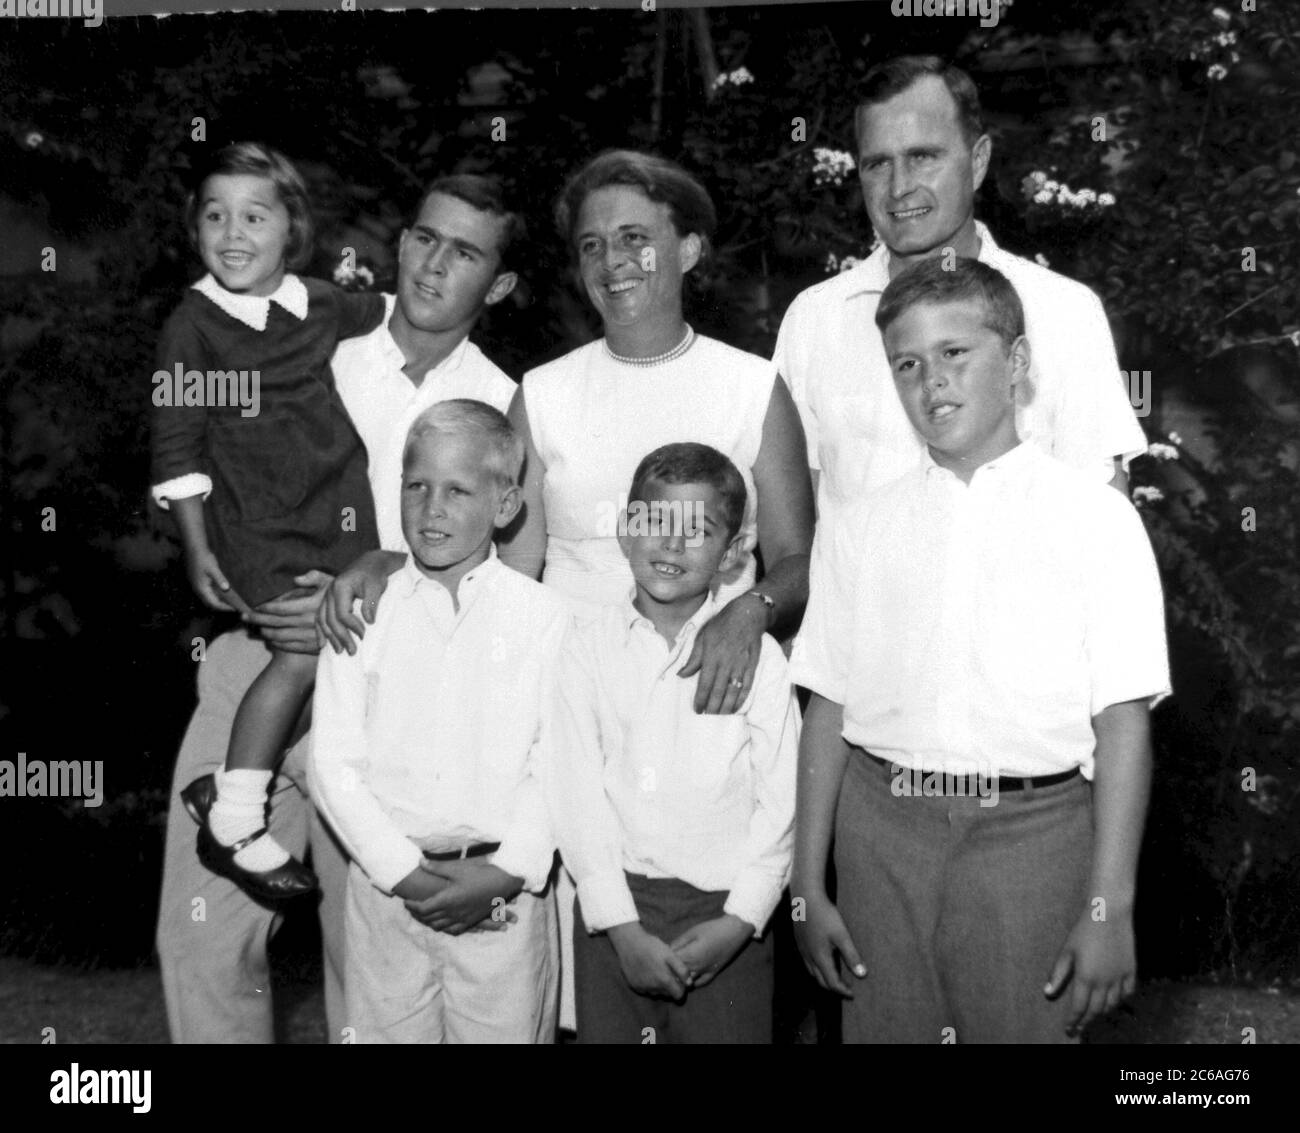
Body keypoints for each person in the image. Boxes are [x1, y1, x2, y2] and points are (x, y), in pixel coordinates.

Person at [322, 150, 815, 1031]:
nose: (613, 260)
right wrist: (389, 560)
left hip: (706, 705)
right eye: (592, 245)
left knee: (716, 980)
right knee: (580, 1003)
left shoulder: (751, 384)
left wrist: (753, 608)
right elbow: (496, 572)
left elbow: (799, 557)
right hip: (570, 724)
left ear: (691, 249)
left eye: (637, 238)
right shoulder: (543, 393)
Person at [155, 172, 522, 1043]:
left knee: (368, 961)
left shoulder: (507, 403)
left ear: (498, 285)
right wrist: (243, 572)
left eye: (465, 252)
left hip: (391, 689)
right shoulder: (313, 332)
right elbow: (195, 455)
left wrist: (378, 572)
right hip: (258, 656)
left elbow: (505, 579)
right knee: (200, 939)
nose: (435, 264)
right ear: (400, 245)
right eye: (425, 238)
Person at [790, 258, 1170, 1043]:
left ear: (1020, 363)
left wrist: (1110, 905)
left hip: (1032, 836)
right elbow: (826, 702)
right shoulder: (860, 526)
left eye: (956, 353)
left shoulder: (1095, 520)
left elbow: (1125, 722)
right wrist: (807, 886)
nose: (932, 381)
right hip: (881, 835)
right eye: (907, 363)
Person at [774, 55, 1148, 564]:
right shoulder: (815, 320)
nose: (900, 186)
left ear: (977, 162)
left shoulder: (1064, 312)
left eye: (924, 156)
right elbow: (791, 536)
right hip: (863, 634)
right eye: (878, 163)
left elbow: (1107, 532)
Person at [151, 141, 386, 899]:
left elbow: (383, 306)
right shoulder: (193, 328)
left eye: (255, 215)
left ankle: (229, 780)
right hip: (256, 527)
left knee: (347, 659)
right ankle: (235, 814)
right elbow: (176, 442)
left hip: (335, 517)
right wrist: (196, 546)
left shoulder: (316, 303)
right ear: (194, 231)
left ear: (293, 229)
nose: (233, 232)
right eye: (214, 215)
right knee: (301, 658)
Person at [311, 400, 567, 1043]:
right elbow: (333, 762)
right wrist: (406, 874)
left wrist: (509, 871)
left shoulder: (546, 618)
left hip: (502, 898)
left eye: (458, 490)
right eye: (417, 486)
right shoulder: (365, 613)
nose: (432, 509)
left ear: (505, 505)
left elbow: (561, 759)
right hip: (387, 891)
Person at [546, 442, 799, 1044]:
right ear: (627, 530)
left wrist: (742, 919)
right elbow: (574, 795)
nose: (673, 544)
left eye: (699, 530)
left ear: (735, 552)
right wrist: (620, 927)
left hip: (725, 909)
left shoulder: (757, 658)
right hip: (616, 911)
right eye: (657, 521)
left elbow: (783, 798)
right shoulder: (586, 649)